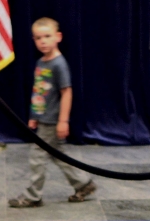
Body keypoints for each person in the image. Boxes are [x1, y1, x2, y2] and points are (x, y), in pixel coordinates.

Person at [8, 18, 96, 207]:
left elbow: (66, 92)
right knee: (58, 155)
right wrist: (34, 117)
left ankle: (32, 195)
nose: (43, 41)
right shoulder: (41, 62)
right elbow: (40, 92)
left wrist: (63, 121)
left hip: (53, 121)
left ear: (58, 37)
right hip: (43, 119)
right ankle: (83, 183)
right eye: (38, 38)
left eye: (47, 36)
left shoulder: (59, 64)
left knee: (37, 157)